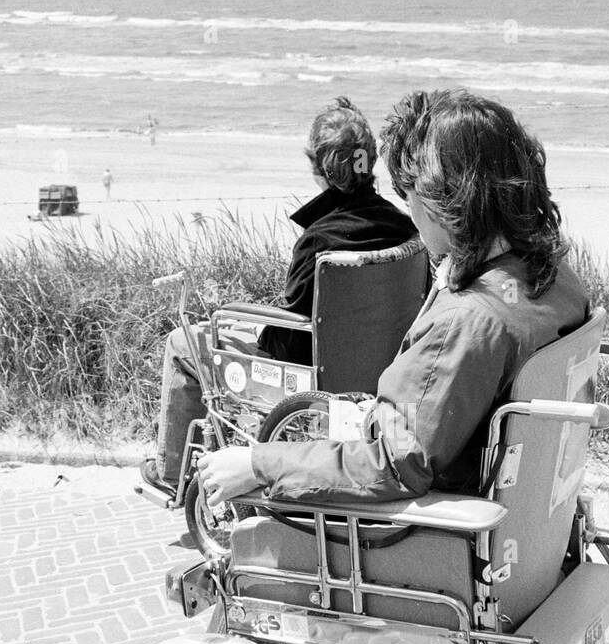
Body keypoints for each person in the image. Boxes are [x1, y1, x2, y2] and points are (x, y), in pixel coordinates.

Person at [196, 89, 590, 510]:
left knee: (235, 531)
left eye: (411, 195)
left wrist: (258, 464)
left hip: (420, 531)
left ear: (446, 198)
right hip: (528, 509)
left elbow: (391, 464)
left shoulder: (467, 323)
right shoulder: (559, 282)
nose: (412, 212)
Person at [141, 97, 414, 494]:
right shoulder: (404, 228)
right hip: (380, 366)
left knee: (183, 342)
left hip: (309, 372)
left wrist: (253, 324)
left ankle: (171, 475)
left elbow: (287, 338)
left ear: (318, 168)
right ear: (368, 162)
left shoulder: (320, 240)